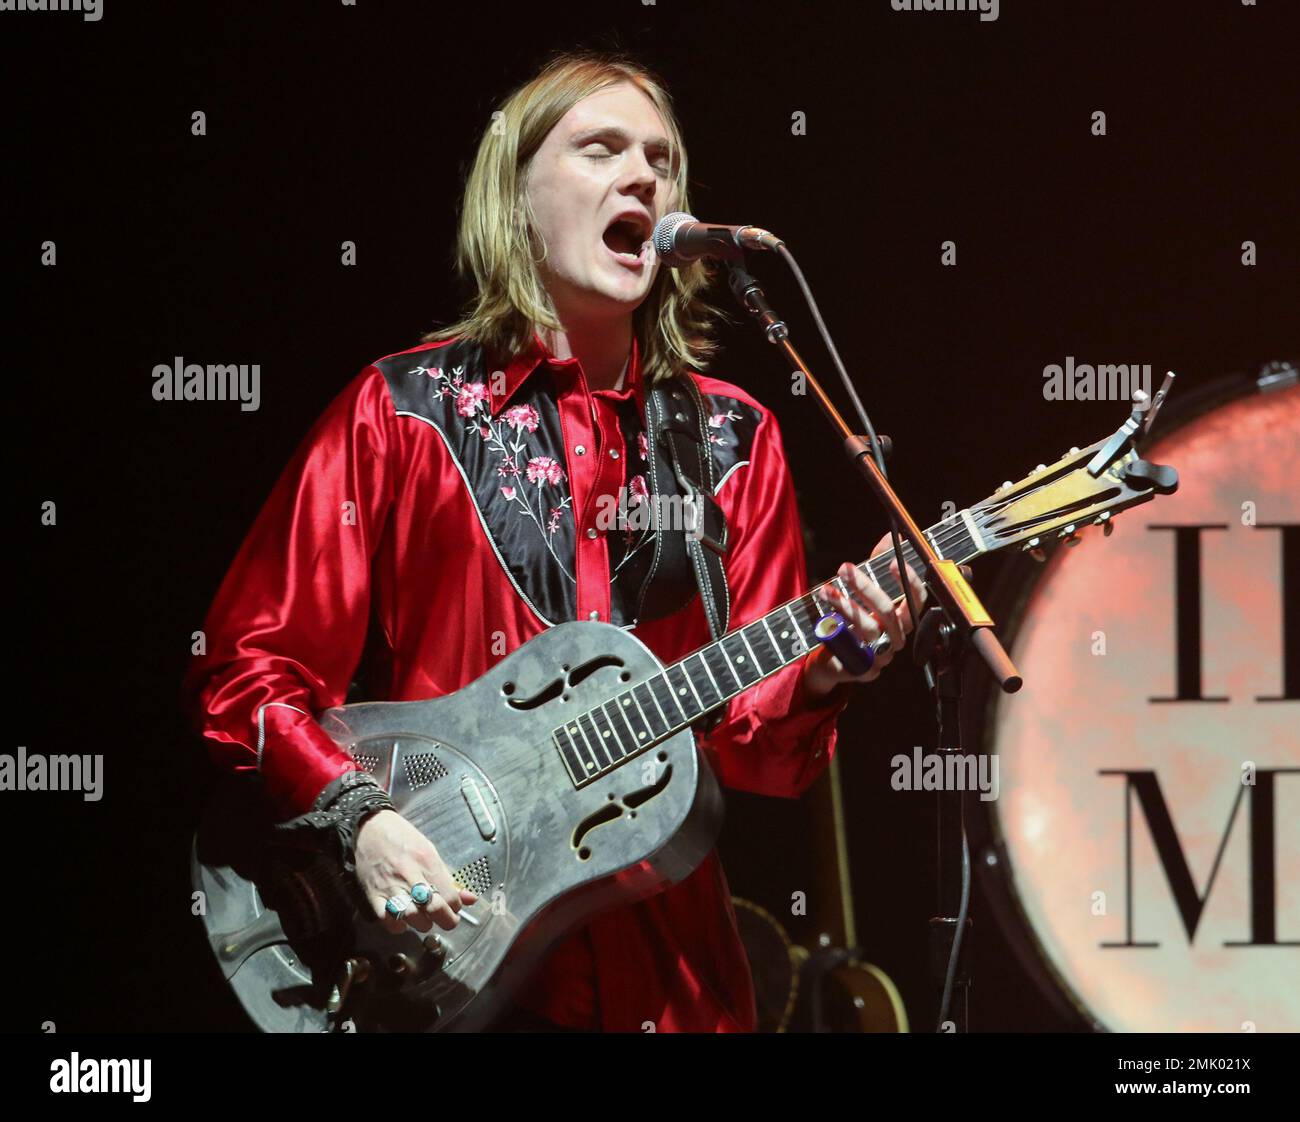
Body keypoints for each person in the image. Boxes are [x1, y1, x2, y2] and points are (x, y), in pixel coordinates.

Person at [183, 50, 924, 1033]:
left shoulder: (735, 438)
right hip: (440, 958)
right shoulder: (400, 413)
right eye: (600, 149)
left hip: (674, 985)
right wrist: (361, 819)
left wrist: (837, 664)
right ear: (515, 197)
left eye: (660, 159)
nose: (643, 178)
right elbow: (247, 669)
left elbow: (756, 750)